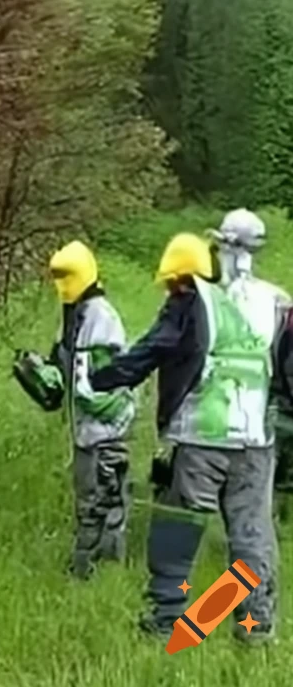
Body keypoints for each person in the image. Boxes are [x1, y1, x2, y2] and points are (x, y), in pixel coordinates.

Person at [90, 232, 284, 645]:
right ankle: (254, 629)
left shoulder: (192, 302)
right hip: (256, 443)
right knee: (251, 537)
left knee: (179, 528)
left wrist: (98, 378)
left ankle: (168, 624)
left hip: (202, 438)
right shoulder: (276, 300)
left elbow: (145, 355)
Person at [44, 242, 136, 579]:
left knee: (101, 499)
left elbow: (93, 383)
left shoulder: (101, 316)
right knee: (93, 496)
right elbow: (62, 363)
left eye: (66, 275)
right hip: (88, 429)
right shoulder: (75, 313)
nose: (61, 283)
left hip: (105, 429)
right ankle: (94, 566)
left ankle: (91, 570)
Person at [211, 210, 293, 523]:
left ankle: (239, 573)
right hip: (254, 430)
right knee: (251, 530)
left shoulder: (208, 298)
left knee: (187, 525)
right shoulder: (276, 299)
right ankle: (249, 572)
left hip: (211, 432)